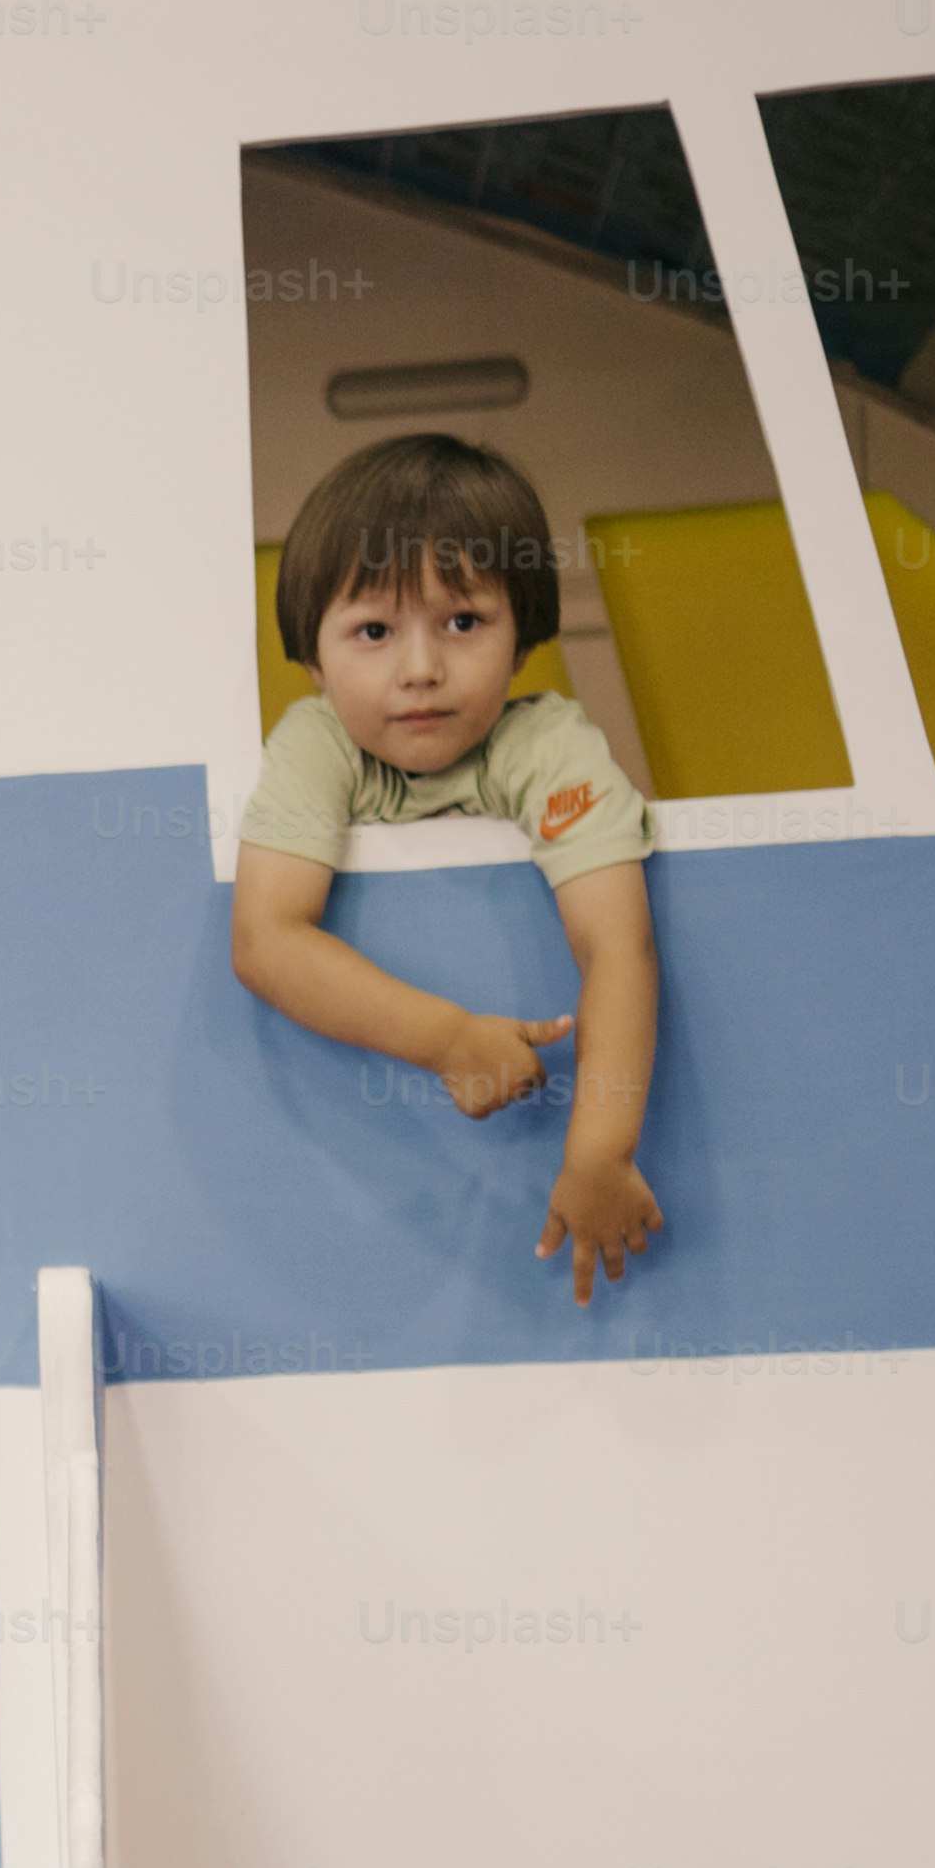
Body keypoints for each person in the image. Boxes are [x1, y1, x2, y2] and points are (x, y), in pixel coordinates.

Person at [230, 431, 666, 1304]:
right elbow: (264, 939)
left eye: (463, 622)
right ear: (311, 655)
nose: (420, 669)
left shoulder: (546, 745)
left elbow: (618, 948)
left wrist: (599, 1152)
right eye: (373, 631)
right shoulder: (316, 744)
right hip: (360, 1214)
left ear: (522, 632)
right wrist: (446, 1040)